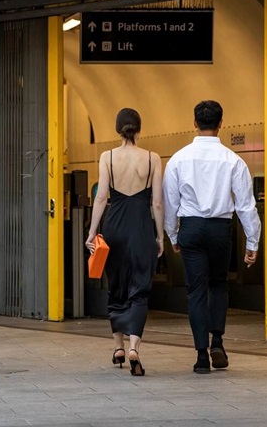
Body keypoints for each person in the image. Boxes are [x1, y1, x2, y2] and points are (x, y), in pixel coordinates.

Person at [162, 100, 261, 374]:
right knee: (218, 285)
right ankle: (217, 341)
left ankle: (201, 356)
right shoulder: (234, 160)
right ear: (221, 124)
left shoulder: (178, 159)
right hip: (220, 229)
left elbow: (170, 202)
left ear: (194, 123)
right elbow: (245, 205)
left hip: (191, 229)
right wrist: (252, 242)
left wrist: (173, 235)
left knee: (195, 291)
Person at [85, 108, 164, 376]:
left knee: (116, 287)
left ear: (118, 129)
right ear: (139, 130)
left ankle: (117, 346)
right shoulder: (153, 159)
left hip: (115, 227)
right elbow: (156, 202)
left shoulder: (106, 157)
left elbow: (100, 197)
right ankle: (134, 348)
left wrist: (92, 231)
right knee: (139, 288)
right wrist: (160, 235)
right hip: (141, 228)